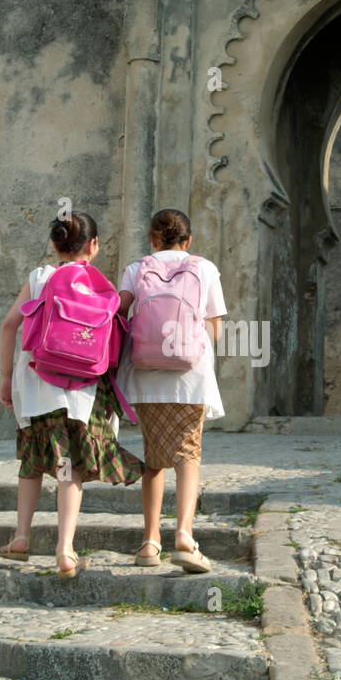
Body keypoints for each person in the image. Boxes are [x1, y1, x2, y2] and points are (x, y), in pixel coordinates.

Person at [0, 211, 143, 579]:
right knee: (69, 467)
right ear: (93, 246)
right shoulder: (99, 285)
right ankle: (65, 549)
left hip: (37, 385)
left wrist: (5, 378)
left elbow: (9, 325)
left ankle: (21, 537)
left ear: (55, 243)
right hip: (80, 389)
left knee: (32, 461)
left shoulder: (40, 277)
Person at [116, 209, 226, 574]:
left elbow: (119, 315)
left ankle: (150, 542)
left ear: (152, 238)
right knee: (187, 455)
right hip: (190, 379)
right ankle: (183, 534)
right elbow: (215, 330)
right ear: (188, 239)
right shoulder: (204, 269)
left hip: (146, 377)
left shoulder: (136, 268)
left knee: (154, 459)